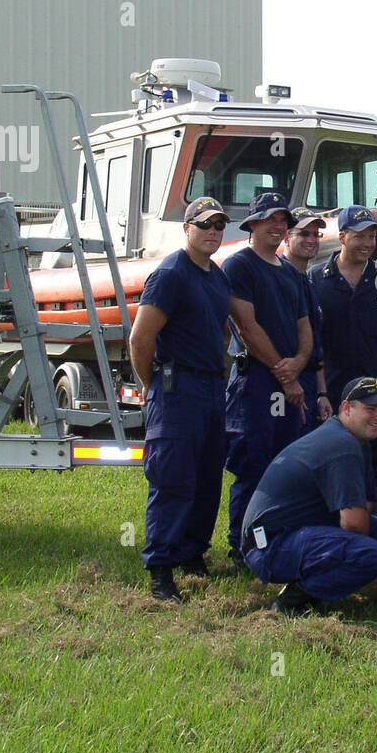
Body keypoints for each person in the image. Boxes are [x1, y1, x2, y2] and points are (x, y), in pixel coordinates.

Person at [128, 197, 232, 603]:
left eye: (219, 225)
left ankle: (192, 554)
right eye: (204, 224)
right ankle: (160, 569)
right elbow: (140, 337)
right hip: (177, 389)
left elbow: (221, 330)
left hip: (210, 387)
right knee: (173, 480)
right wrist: (153, 383)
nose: (213, 231)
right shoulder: (171, 274)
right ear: (186, 228)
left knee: (207, 478)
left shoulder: (216, 277)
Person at [241, 377, 377, 614]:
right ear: (346, 408)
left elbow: (366, 505)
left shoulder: (355, 441)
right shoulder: (342, 445)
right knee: (372, 553)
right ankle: (294, 600)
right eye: (370, 408)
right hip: (267, 545)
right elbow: (355, 524)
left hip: (292, 531)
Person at [223, 190, 312, 567]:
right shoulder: (239, 267)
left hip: (290, 380)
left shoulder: (290, 273)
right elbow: (247, 326)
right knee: (253, 466)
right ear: (253, 224)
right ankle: (240, 546)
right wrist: (284, 371)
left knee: (284, 466)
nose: (279, 226)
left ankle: (272, 539)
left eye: (283, 221)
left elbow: (305, 326)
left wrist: (300, 362)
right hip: (256, 383)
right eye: (271, 219)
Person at [309, 204, 377, 493]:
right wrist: (320, 392)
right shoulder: (315, 279)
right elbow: (311, 341)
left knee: (376, 462)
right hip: (333, 389)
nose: (367, 244)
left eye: (371, 237)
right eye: (359, 236)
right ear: (342, 237)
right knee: (333, 461)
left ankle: (374, 520)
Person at [282, 206, 331, 432]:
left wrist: (321, 393)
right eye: (303, 234)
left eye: (315, 234)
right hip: (284, 385)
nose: (311, 240)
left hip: (309, 385)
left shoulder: (309, 282)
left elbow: (316, 344)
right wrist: (289, 382)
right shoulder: (278, 279)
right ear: (286, 237)